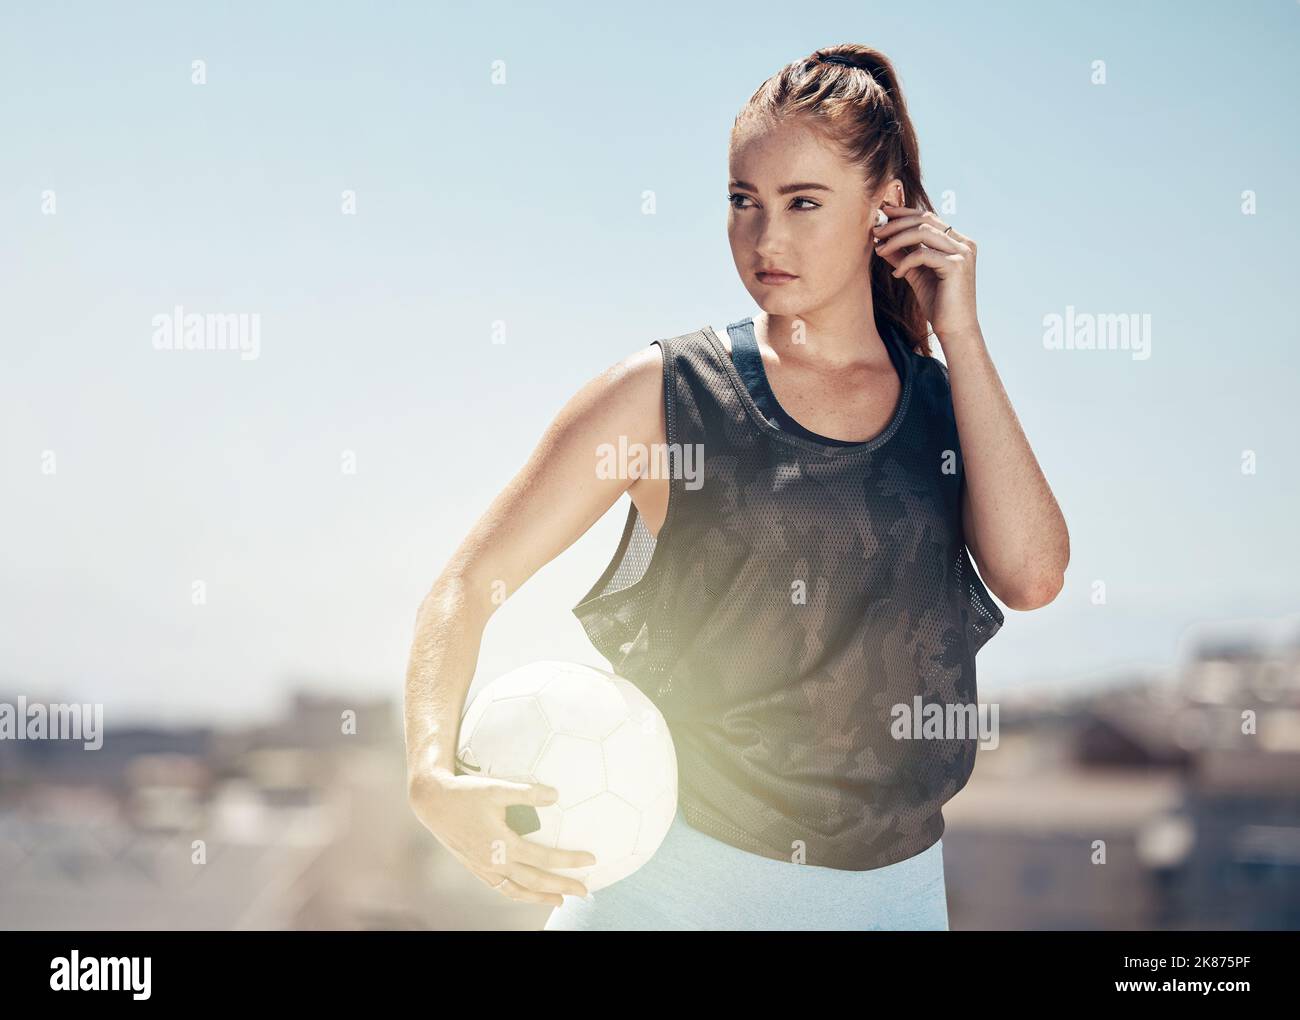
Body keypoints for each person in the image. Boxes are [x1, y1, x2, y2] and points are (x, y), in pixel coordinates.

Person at [404, 44, 1069, 931]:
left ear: (888, 209)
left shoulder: (949, 409)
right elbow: (464, 586)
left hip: (896, 904)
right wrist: (429, 777)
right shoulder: (662, 396)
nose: (766, 240)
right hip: (670, 900)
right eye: (743, 202)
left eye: (803, 202)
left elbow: (1033, 576)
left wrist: (964, 336)